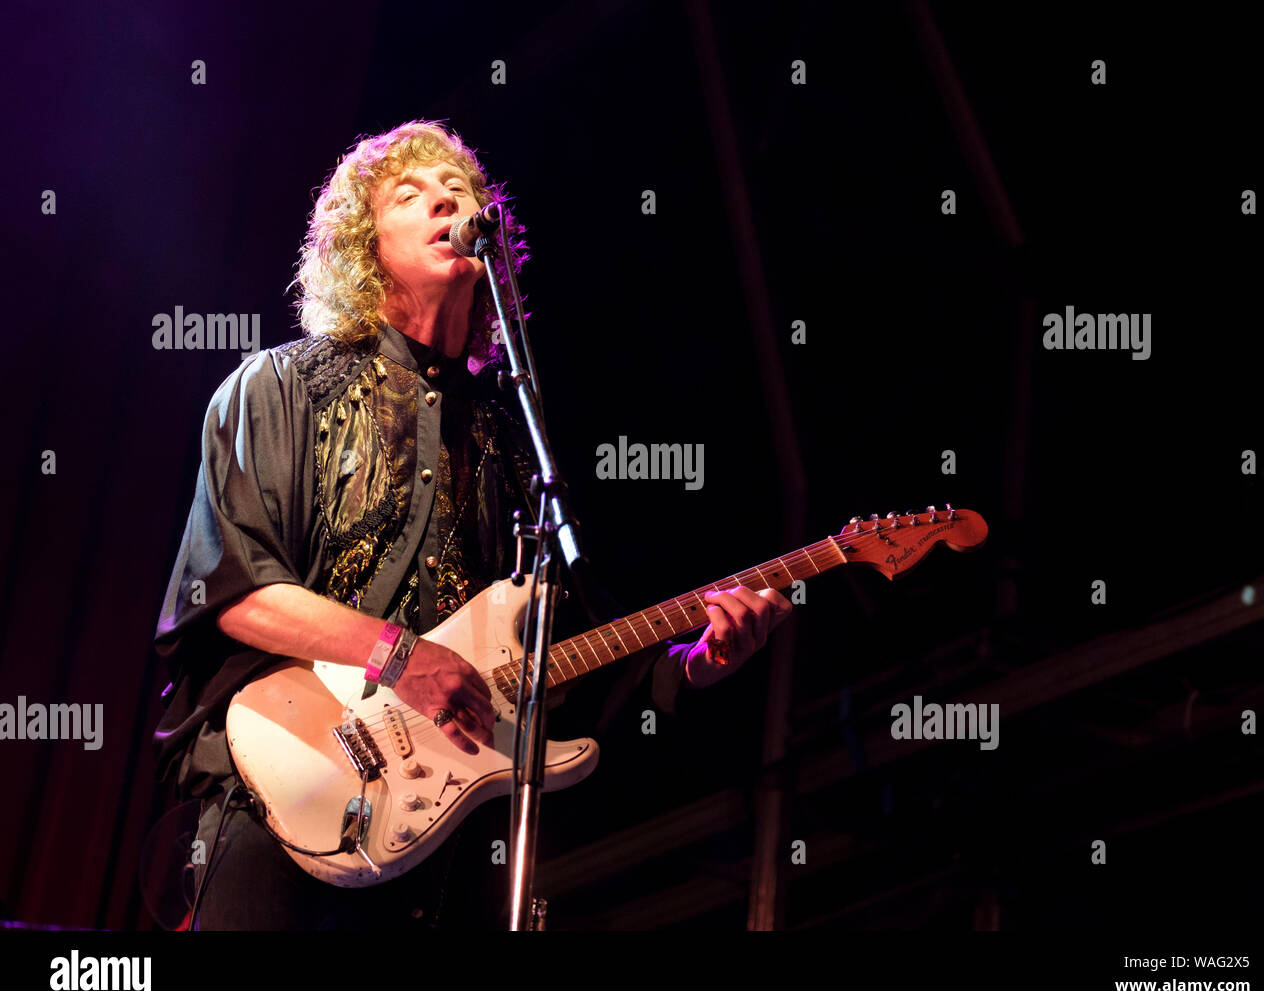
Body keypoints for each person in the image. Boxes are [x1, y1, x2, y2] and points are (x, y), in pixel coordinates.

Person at [152, 119, 792, 929]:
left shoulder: (513, 438)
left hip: (439, 839)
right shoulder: (281, 388)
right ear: (361, 242)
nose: (445, 201)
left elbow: (566, 658)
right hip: (280, 788)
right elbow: (233, 590)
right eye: (410, 194)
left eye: (457, 190)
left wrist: (691, 663)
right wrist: (400, 655)